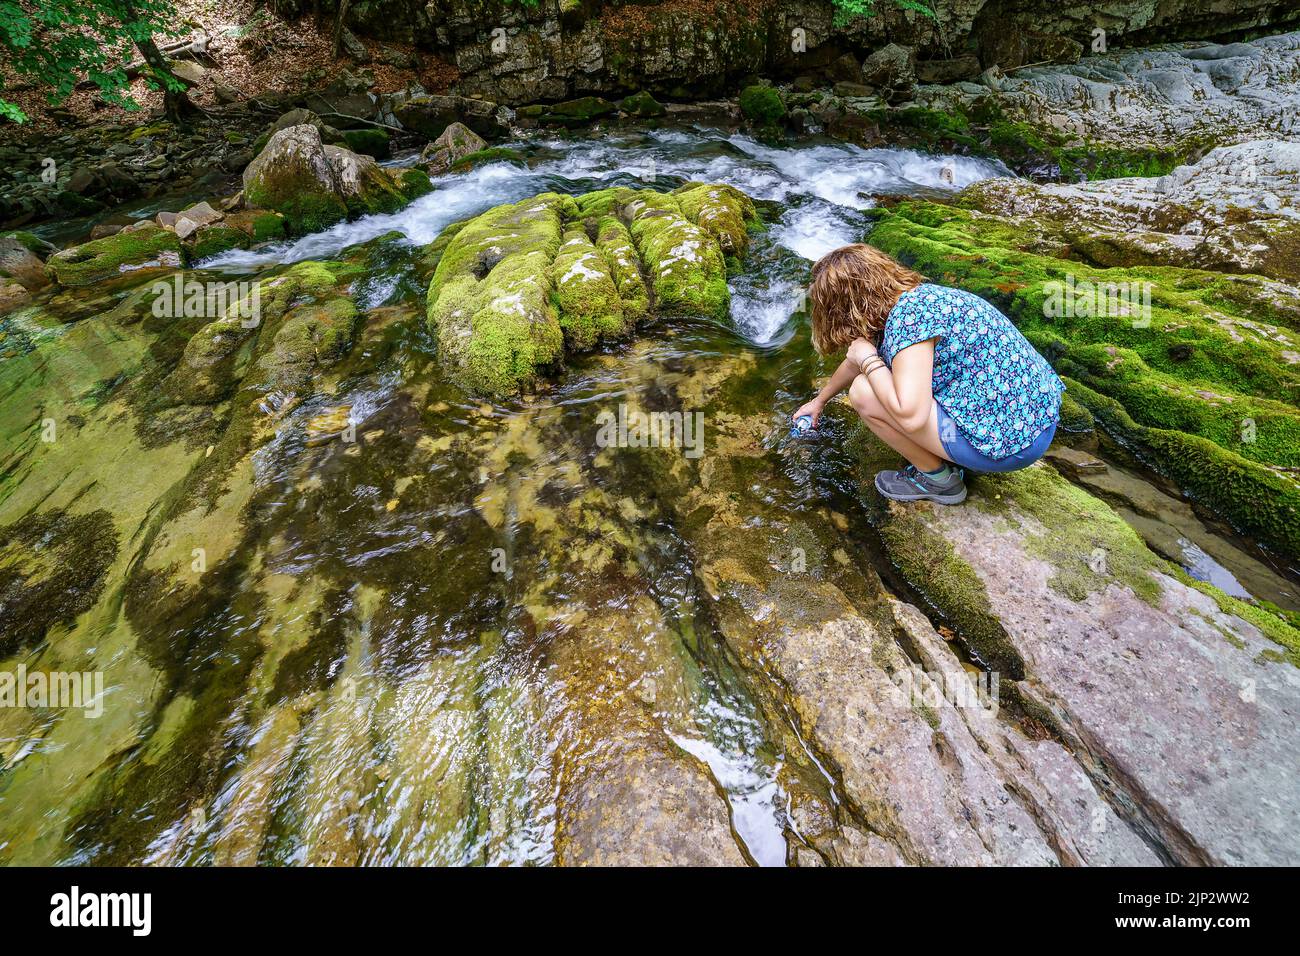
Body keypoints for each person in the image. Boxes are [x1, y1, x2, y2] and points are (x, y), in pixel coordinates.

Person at [793, 244, 1064, 504]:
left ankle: (940, 482)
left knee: (863, 392)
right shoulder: (916, 299)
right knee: (875, 374)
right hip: (1035, 422)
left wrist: (869, 361)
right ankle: (950, 451)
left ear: (846, 305)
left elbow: (910, 416)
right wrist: (820, 400)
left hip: (1012, 447)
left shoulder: (909, 321)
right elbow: (854, 360)